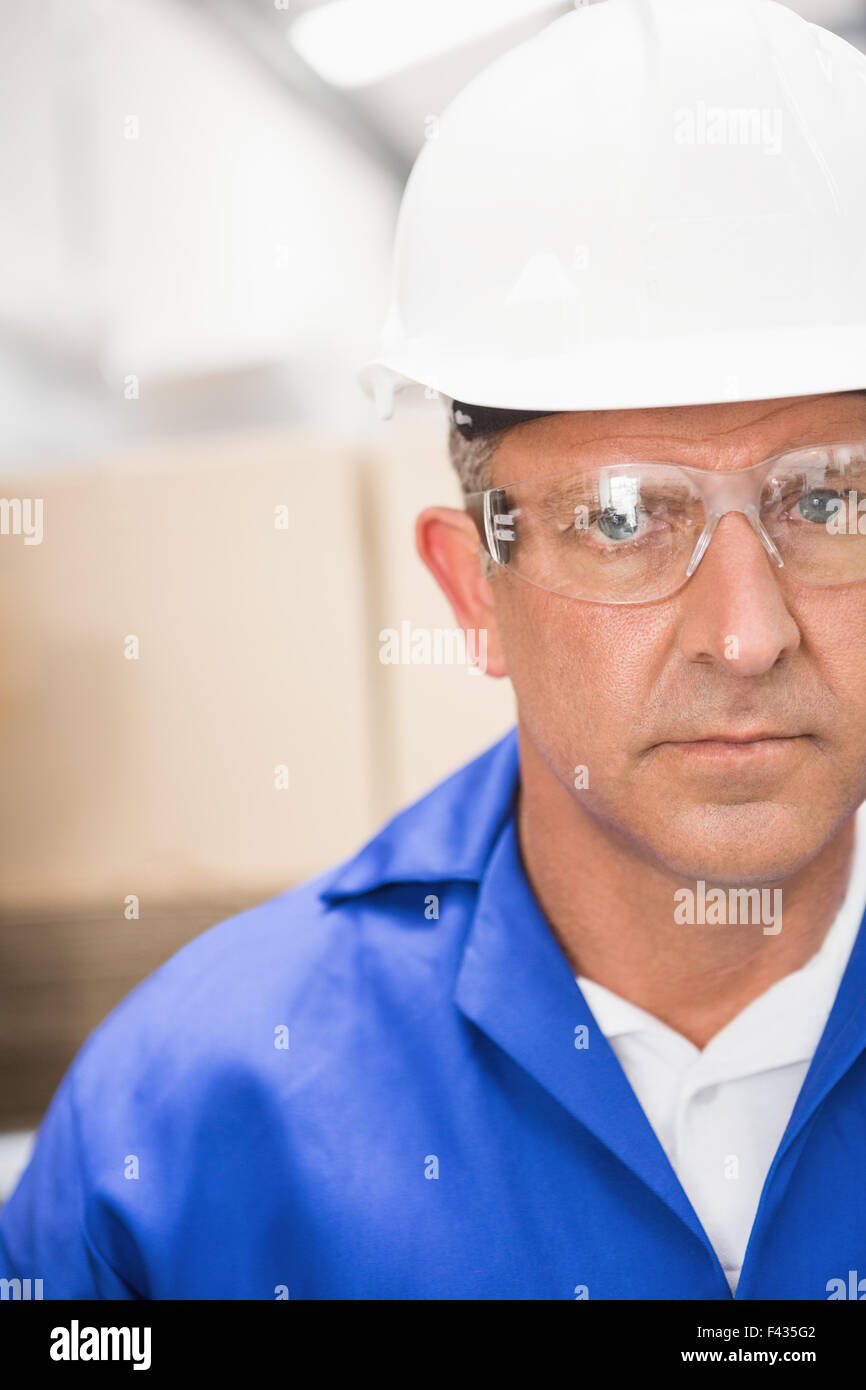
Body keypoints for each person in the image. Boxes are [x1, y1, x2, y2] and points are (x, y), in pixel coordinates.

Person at [4, 0, 866, 1300]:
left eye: (827, 500)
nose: (747, 635)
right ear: (471, 589)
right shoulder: (186, 1134)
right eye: (623, 518)